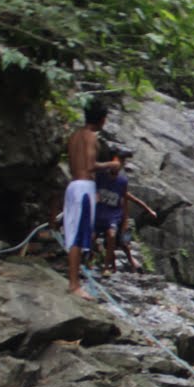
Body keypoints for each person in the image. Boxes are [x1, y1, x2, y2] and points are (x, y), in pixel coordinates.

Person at [64, 101, 120, 298]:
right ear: (102, 120)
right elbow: (89, 166)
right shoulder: (90, 137)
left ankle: (74, 281)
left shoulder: (74, 136)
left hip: (73, 186)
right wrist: (111, 165)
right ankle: (74, 284)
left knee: (73, 232)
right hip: (83, 188)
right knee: (78, 235)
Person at [94, 149, 156, 274]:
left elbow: (128, 201)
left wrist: (126, 221)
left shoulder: (122, 182)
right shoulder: (101, 176)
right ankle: (103, 260)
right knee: (100, 238)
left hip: (116, 217)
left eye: (121, 163)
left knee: (120, 241)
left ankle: (117, 265)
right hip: (100, 214)